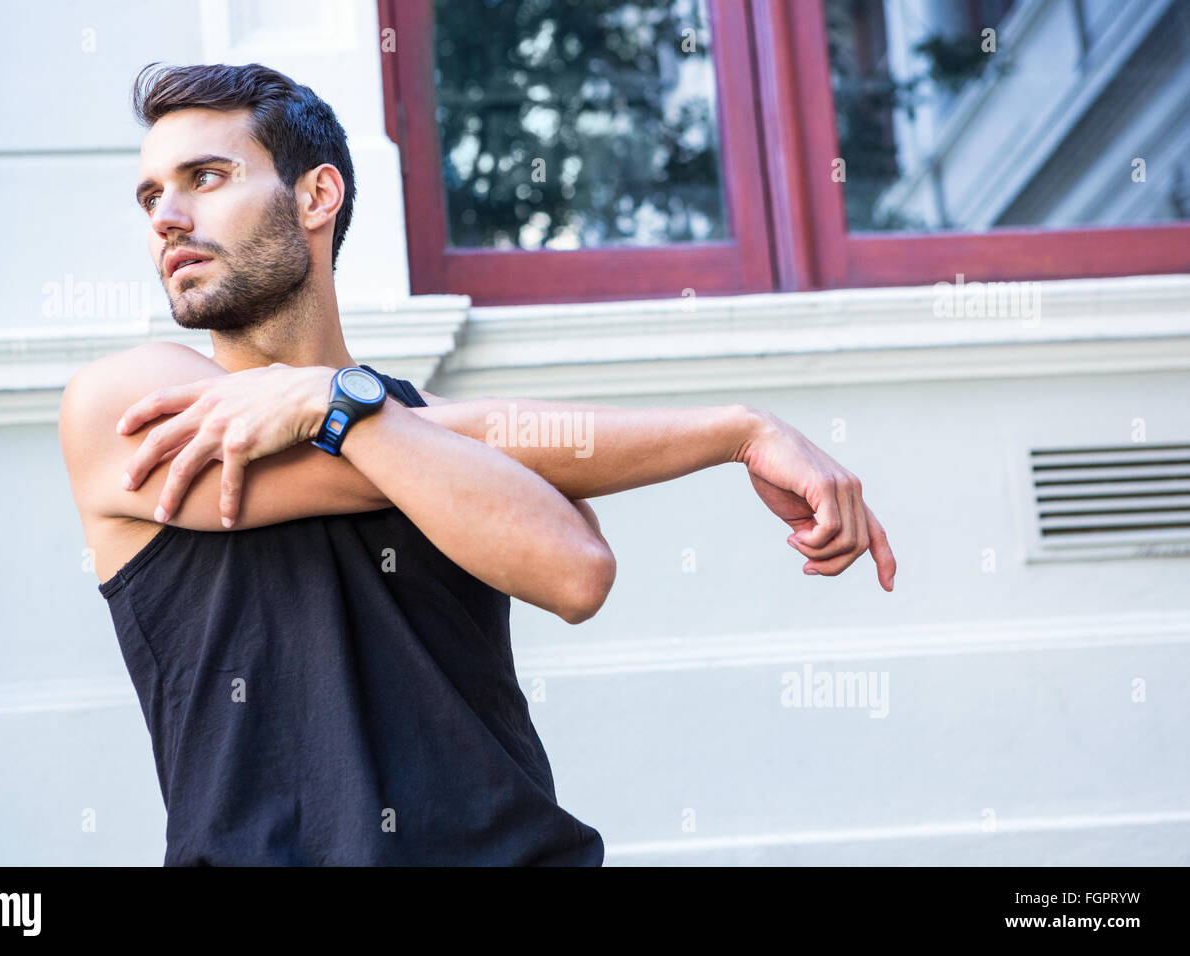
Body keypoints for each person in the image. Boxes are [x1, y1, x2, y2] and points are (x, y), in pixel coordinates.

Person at [58, 62, 896, 866]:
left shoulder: (402, 422)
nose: (166, 216)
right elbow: (407, 442)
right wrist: (736, 429)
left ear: (317, 195)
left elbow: (577, 573)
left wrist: (335, 401)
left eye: (205, 177)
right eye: (151, 195)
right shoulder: (128, 403)